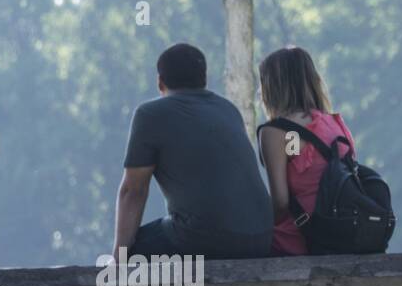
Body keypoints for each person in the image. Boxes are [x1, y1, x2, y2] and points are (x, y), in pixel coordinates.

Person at [113, 43, 272, 259]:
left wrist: (118, 258)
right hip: (262, 238)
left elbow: (133, 191)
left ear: (160, 83)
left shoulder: (150, 114)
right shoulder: (228, 109)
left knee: (134, 254)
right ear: (204, 79)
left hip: (205, 237)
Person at [256, 46, 358, 255]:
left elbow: (281, 203)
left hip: (303, 238)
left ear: (272, 87)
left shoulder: (275, 132)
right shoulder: (335, 123)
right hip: (342, 232)